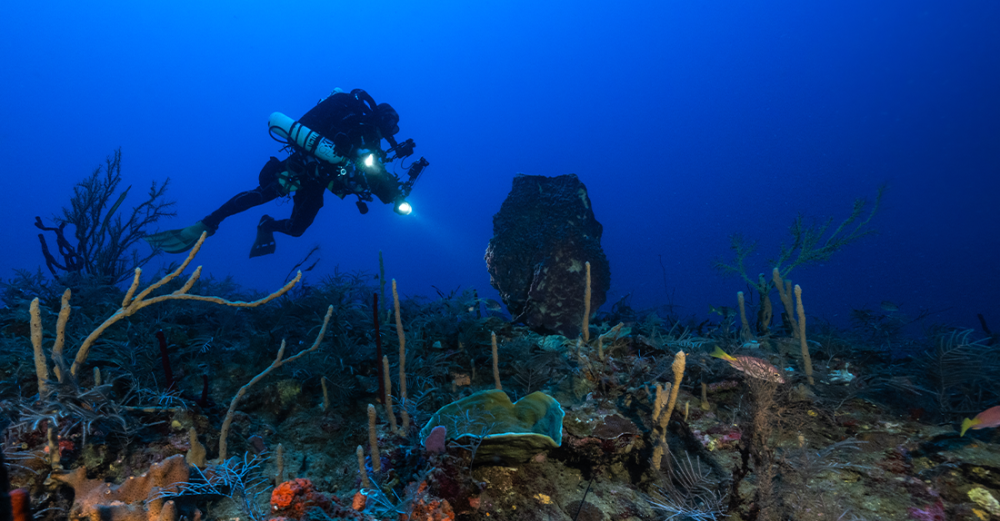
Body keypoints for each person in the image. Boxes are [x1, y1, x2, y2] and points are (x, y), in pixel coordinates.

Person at [145, 88, 427, 257]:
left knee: (297, 229)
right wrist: (341, 142)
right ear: (378, 117)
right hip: (303, 165)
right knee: (261, 194)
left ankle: (267, 225)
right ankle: (205, 225)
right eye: (389, 123)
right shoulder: (351, 118)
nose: (390, 130)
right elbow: (327, 137)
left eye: (393, 127)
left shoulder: (373, 143)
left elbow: (369, 175)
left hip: (323, 180)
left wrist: (394, 193)